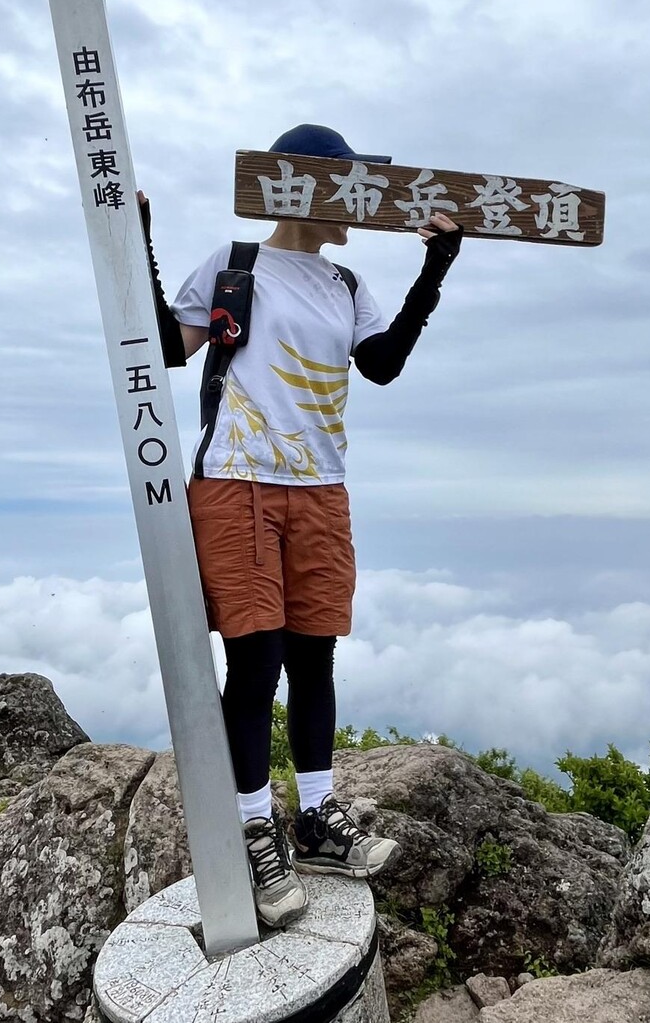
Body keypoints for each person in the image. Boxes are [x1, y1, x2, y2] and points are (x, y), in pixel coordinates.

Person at [140, 123, 462, 928]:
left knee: (314, 657)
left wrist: (435, 268)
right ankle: (253, 830)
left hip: (320, 486)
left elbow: (380, 363)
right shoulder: (235, 264)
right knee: (255, 664)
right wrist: (134, 249)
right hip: (237, 480)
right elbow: (168, 347)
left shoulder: (345, 281)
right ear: (306, 186)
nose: (360, 201)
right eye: (349, 185)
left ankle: (316, 820)